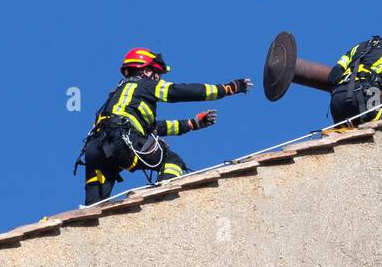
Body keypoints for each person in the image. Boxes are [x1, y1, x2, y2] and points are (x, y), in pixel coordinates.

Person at [78, 48, 252, 204]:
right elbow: (182, 91)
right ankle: (162, 203)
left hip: (96, 148)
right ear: (146, 70)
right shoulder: (144, 85)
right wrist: (228, 88)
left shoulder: (119, 97)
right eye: (157, 73)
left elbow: (153, 128)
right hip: (121, 141)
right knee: (172, 161)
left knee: (94, 208)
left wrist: (192, 123)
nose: (158, 78)